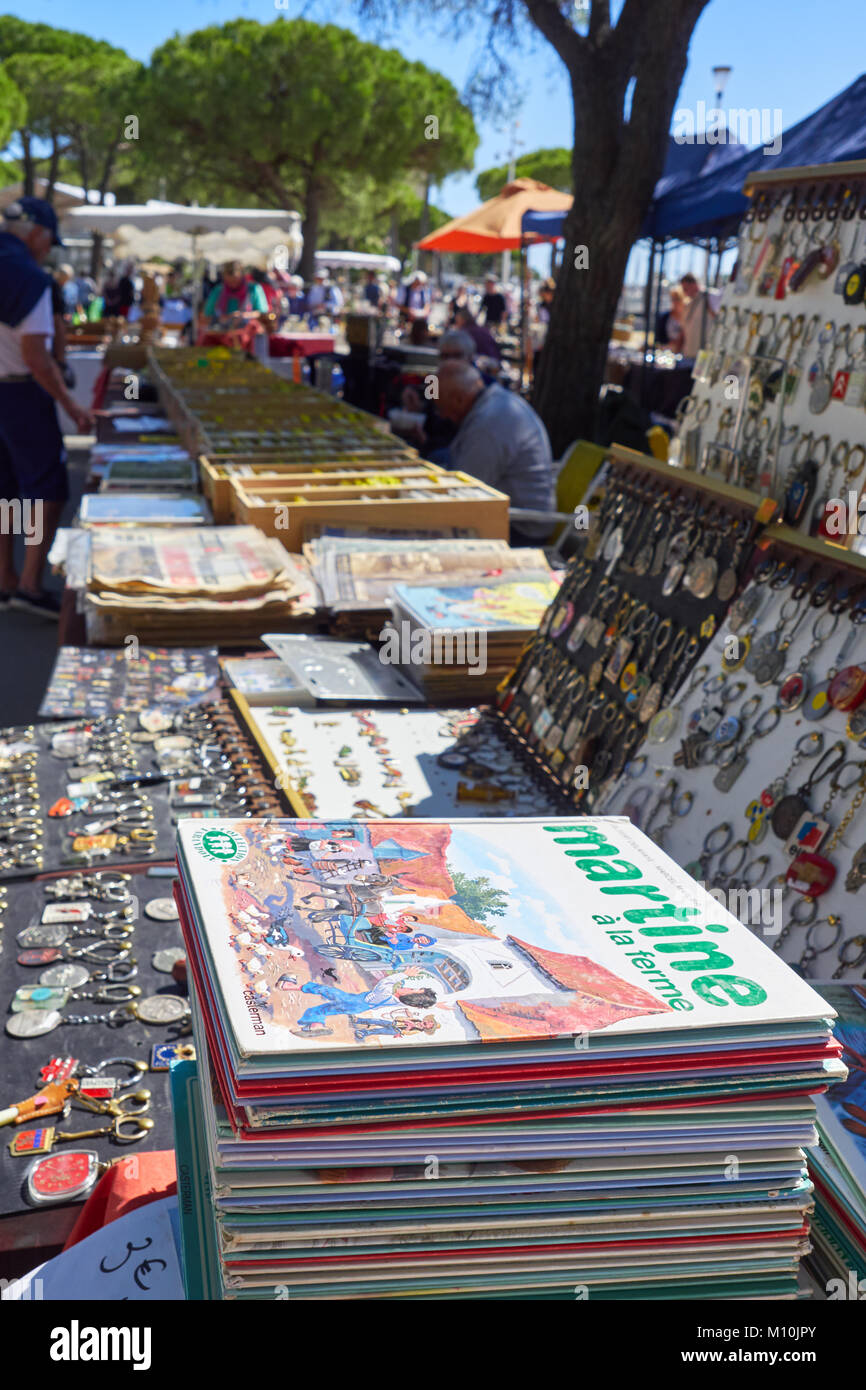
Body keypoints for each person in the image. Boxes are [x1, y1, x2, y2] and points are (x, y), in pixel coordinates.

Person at [0, 197, 93, 618]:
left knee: (6, 494)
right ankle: (29, 583)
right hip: (20, 394)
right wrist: (71, 405)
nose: (47, 250)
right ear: (36, 234)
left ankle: (5, 578)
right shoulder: (30, 279)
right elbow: (37, 356)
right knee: (45, 491)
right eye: (48, 241)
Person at [436, 359, 555, 544]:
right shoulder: (494, 400)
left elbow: (465, 492)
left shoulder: (488, 426)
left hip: (520, 527)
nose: (442, 416)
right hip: (514, 511)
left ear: (459, 398)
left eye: (441, 407)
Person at [203, 260, 268, 326]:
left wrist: (244, 315)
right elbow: (207, 314)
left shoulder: (254, 289)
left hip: (249, 331)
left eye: (235, 281)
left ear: (242, 276)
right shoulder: (218, 290)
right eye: (229, 282)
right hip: (224, 332)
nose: (233, 285)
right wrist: (223, 318)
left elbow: (263, 313)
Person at [679, 273, 716, 358]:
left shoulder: (709, 296)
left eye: (686, 289)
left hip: (704, 354)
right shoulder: (688, 304)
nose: (685, 292)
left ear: (694, 284)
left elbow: (717, 319)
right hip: (690, 353)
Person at [657, 285, 686, 353]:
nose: (675, 302)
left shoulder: (688, 316)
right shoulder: (665, 317)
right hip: (667, 351)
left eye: (678, 299)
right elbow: (659, 337)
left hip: (684, 351)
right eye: (673, 299)